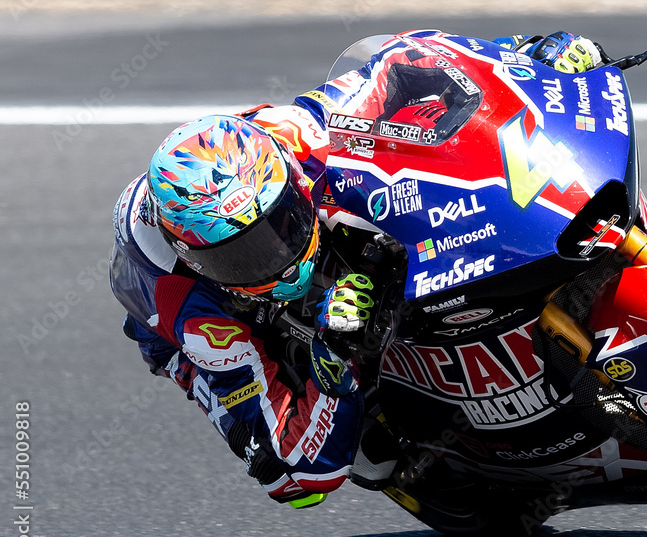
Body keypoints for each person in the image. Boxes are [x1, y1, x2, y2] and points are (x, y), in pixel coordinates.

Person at [109, 31, 605, 509]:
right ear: (196, 258)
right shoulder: (192, 312)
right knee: (362, 459)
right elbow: (295, 478)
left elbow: (412, 69)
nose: (276, 256)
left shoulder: (295, 135)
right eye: (239, 256)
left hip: (276, 192)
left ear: (290, 181)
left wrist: (529, 58)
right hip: (229, 320)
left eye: (281, 225)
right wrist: (331, 359)